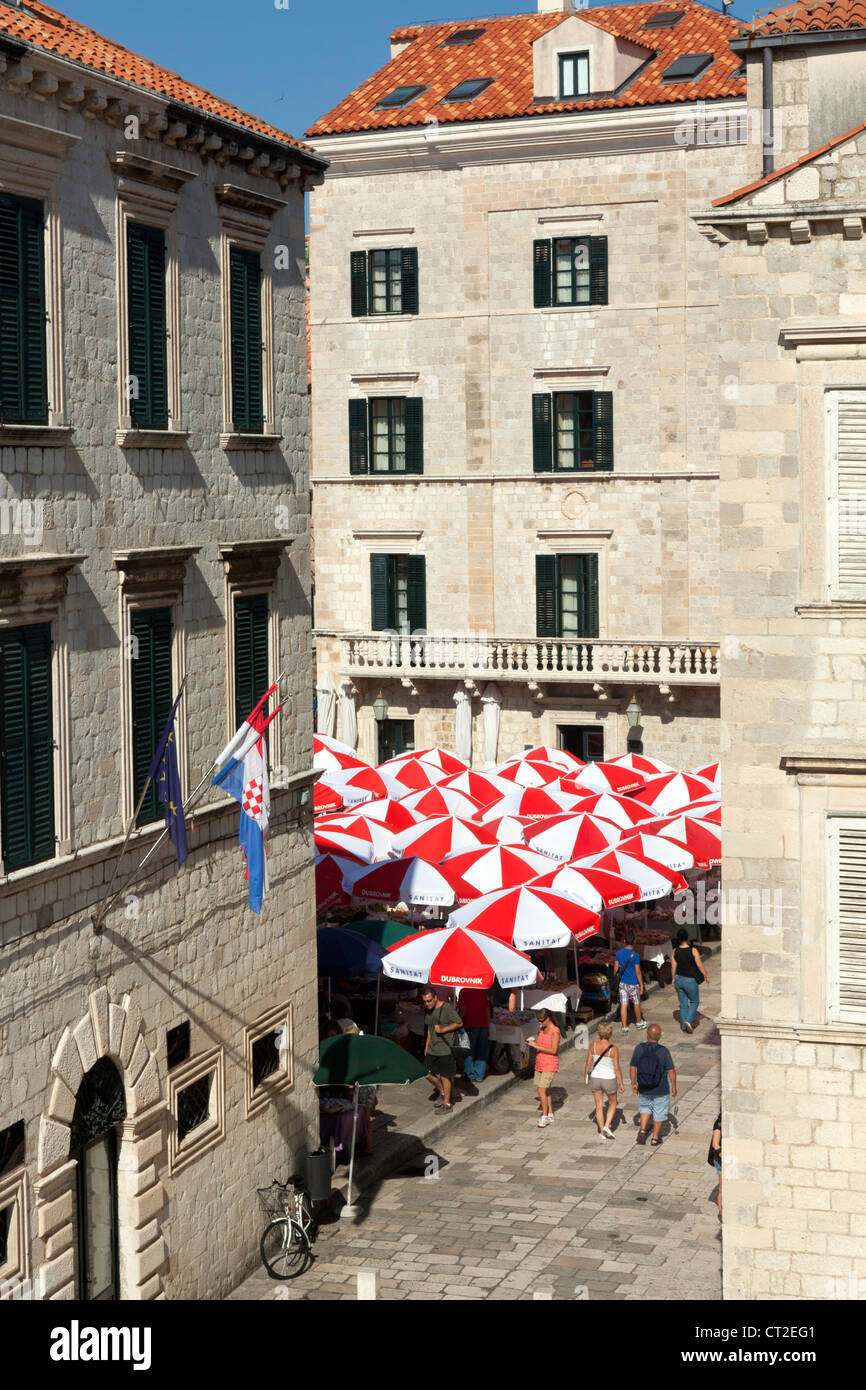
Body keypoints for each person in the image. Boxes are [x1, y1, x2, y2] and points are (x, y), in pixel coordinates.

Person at [629, 1022, 676, 1147]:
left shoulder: (639, 1048)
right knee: (659, 1112)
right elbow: (671, 1071)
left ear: (647, 1034)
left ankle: (643, 1131)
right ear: (659, 1036)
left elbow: (633, 1068)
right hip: (661, 1088)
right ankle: (655, 1138)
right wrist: (674, 1087)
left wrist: (634, 1083)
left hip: (644, 1086)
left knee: (645, 1108)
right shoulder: (664, 1051)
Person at [421, 986, 462, 1115]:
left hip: (445, 1048)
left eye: (429, 1001)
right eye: (425, 1001)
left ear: (435, 997)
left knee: (445, 1075)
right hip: (432, 1047)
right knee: (425, 1072)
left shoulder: (447, 1008)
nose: (427, 1004)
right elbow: (429, 1029)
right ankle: (443, 1091)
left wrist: (443, 1030)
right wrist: (427, 1045)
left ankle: (447, 1103)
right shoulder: (428, 1011)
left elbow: (459, 1022)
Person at [340, 1021, 377, 1156]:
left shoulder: (354, 1053)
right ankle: (368, 1146)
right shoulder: (365, 1049)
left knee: (362, 1118)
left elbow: (353, 1073)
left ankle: (366, 1147)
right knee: (366, 1118)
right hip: (370, 1087)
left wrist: (349, 1089)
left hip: (362, 1088)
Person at [584, 1021, 624, 1139]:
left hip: (595, 1078)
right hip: (609, 1079)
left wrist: (586, 1075)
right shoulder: (614, 1049)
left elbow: (588, 1063)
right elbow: (616, 1068)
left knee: (599, 1106)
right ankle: (607, 1126)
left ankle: (601, 1132)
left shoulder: (593, 1046)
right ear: (610, 1033)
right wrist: (621, 1083)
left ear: (599, 1032)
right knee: (612, 1103)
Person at [671, 928, 709, 1033]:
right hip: (690, 980)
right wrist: (706, 976)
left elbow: (673, 967)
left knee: (683, 1004)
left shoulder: (675, 951)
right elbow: (700, 965)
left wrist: (673, 978)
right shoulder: (693, 950)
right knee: (694, 1001)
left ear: (678, 938)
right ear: (687, 938)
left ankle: (684, 1027)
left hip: (679, 979)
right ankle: (688, 1021)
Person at [527, 1008, 561, 1128]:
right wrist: (534, 1042)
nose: (540, 1023)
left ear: (548, 1018)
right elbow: (543, 1044)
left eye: (542, 1020)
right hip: (540, 1062)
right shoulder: (542, 1029)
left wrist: (537, 1045)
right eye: (539, 1021)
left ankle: (544, 1116)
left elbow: (553, 1050)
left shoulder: (555, 1031)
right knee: (545, 1090)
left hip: (550, 1064)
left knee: (541, 1090)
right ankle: (550, 1113)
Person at [457, 987, 490, 1083]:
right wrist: (488, 1026)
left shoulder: (464, 991)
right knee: (481, 1052)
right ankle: (479, 1076)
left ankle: (469, 1075)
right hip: (482, 1025)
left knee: (468, 1051)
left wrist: (455, 1021)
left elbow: (463, 1009)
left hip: (470, 1025)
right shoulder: (481, 991)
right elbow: (487, 1009)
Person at [614, 943, 647, 1035]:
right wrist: (641, 985)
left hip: (622, 983)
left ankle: (624, 1027)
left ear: (624, 941)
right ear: (634, 941)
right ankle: (639, 1023)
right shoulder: (636, 955)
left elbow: (615, 970)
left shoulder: (618, 953)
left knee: (623, 1004)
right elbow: (638, 971)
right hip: (633, 983)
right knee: (636, 1003)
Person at [710, 1111, 722, 1217]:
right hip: (722, 1160)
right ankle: (722, 1214)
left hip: (731, 1160)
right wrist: (726, 1158)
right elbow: (715, 1144)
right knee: (723, 1188)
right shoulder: (719, 1124)